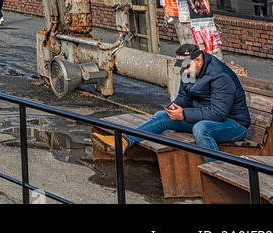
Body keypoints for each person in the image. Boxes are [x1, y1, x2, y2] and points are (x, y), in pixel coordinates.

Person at [95, 43, 251, 155]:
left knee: (201, 129)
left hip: (233, 124)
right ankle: (122, 142)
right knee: (162, 116)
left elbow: (218, 113)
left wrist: (185, 115)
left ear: (198, 60)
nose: (184, 71)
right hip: (204, 116)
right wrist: (174, 107)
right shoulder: (190, 70)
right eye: (182, 66)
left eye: (186, 66)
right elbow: (185, 96)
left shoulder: (219, 76)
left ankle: (216, 170)